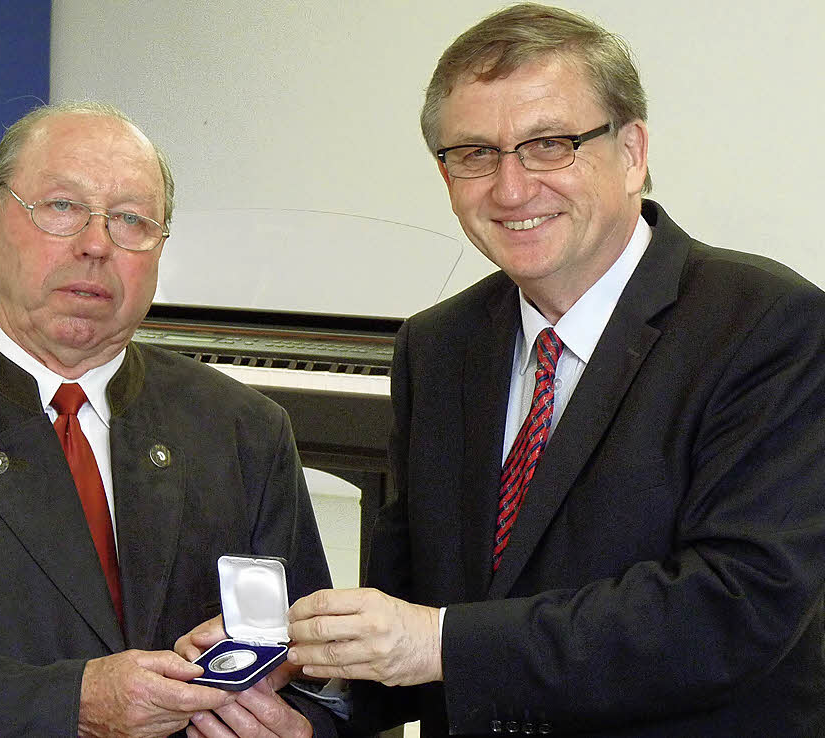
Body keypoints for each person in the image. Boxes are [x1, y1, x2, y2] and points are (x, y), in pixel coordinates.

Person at [286, 4, 825, 736]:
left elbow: (735, 608)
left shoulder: (768, 325)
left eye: (549, 145)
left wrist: (439, 643)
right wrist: (305, 699)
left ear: (632, 151)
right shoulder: (437, 347)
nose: (511, 189)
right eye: (475, 154)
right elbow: (410, 608)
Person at [0, 101, 335, 737]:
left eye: (131, 220)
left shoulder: (244, 430)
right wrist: (73, 705)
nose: (95, 245)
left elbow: (322, 680)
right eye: (61, 207)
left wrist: (299, 726)